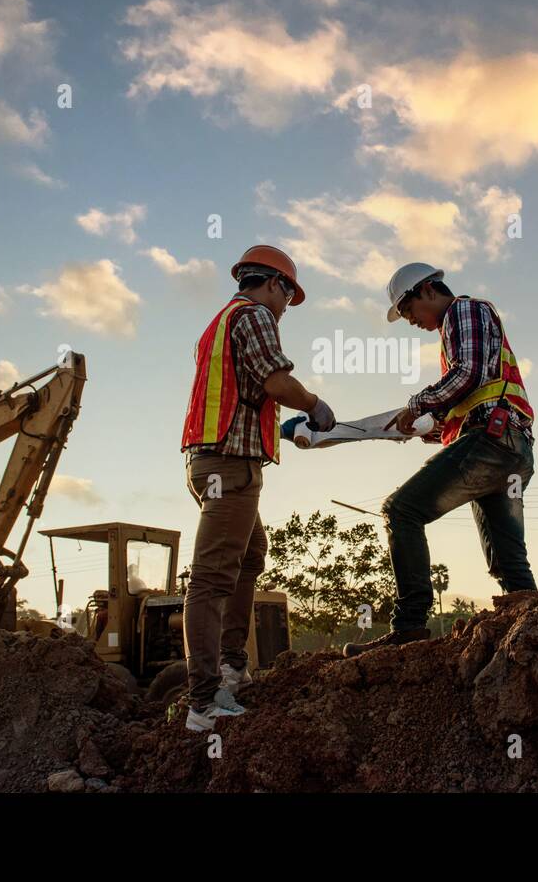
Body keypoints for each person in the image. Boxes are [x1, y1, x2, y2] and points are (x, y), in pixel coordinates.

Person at [179, 245, 335, 730]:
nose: (287, 305)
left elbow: (248, 394)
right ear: (273, 284)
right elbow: (275, 382)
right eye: (288, 293)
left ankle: (231, 669)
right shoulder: (255, 316)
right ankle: (205, 702)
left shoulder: (222, 322)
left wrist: (282, 427)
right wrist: (313, 404)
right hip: (230, 466)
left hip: (215, 460)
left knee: (251, 555)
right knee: (212, 576)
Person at [344, 262, 535, 657]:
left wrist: (416, 405)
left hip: (493, 442)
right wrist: (436, 428)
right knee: (509, 562)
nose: (411, 320)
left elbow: (469, 374)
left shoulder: (463, 311)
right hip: (506, 448)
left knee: (401, 510)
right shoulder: (460, 324)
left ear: (428, 290)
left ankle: (410, 626)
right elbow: (477, 390)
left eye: (409, 309)